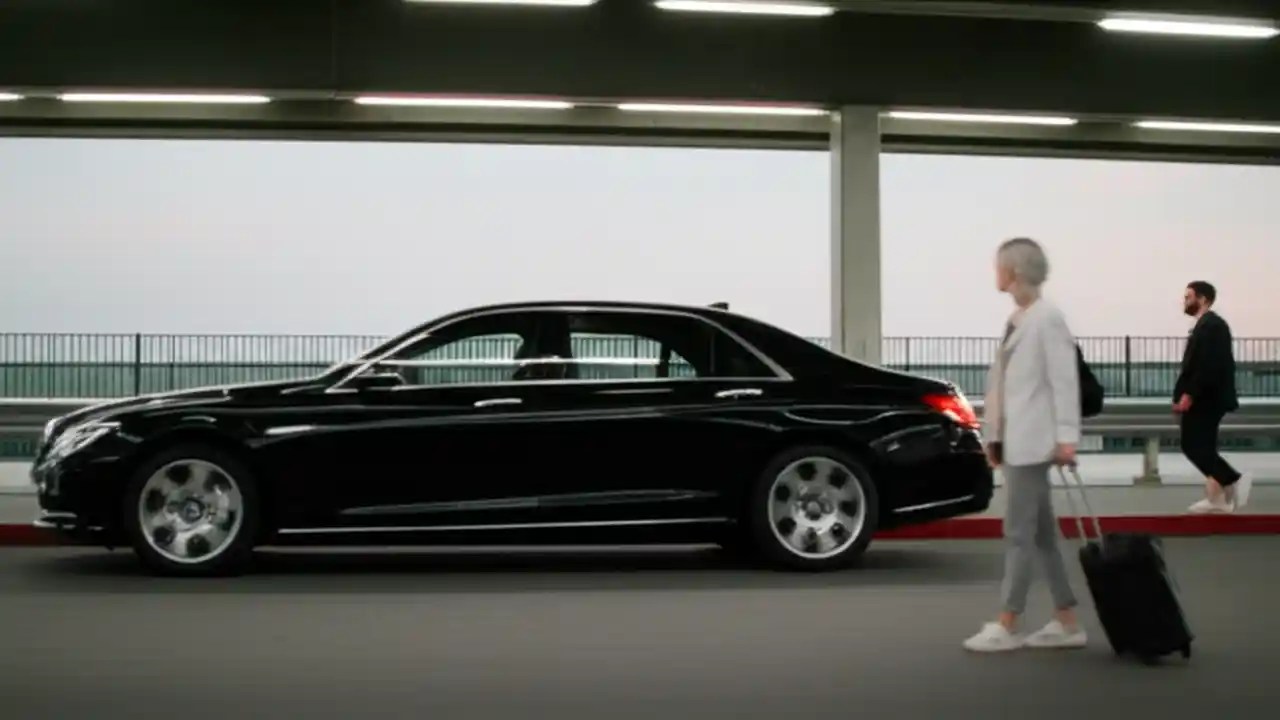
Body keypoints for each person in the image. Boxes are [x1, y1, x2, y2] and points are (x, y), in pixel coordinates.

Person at [963, 237, 1086, 653]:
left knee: (1017, 533)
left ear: (1013, 271)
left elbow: (1063, 380)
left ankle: (1008, 621)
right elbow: (1005, 387)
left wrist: (1066, 437)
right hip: (1017, 440)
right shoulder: (1020, 318)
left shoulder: (1047, 319)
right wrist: (994, 437)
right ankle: (1067, 620)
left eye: (999, 266)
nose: (995, 273)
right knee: (1043, 535)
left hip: (1033, 443)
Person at [1177, 281, 1251, 513]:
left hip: (1206, 399)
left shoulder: (1213, 326)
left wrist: (1190, 394)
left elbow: (1208, 365)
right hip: (1205, 397)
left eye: (1189, 296)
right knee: (1203, 446)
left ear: (1203, 299)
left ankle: (1233, 479)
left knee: (1193, 445)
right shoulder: (1206, 325)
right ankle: (1217, 499)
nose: (1184, 301)